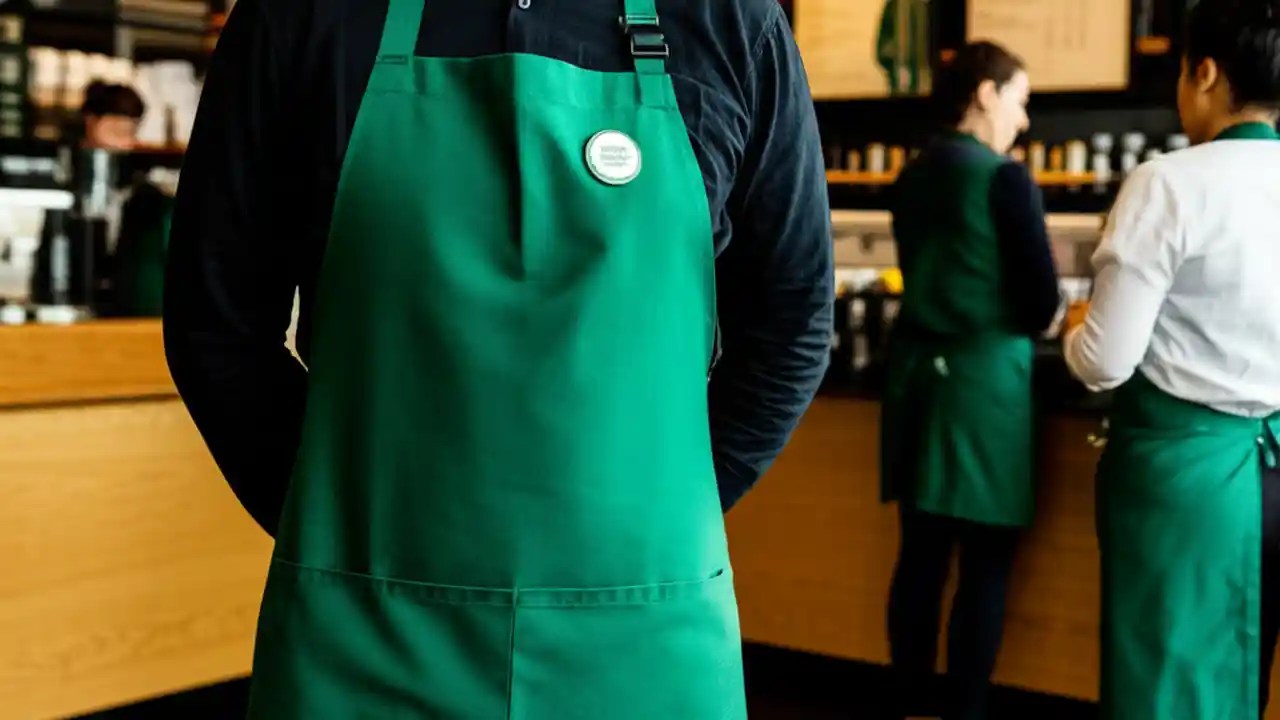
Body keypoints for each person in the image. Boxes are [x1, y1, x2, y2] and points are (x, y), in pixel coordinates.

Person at [162, 0, 833, 717]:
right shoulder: (299, 16)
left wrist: (674, 517)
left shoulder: (729, 20)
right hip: (362, 638)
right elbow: (216, 318)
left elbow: (792, 317)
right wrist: (327, 517)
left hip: (645, 639)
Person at [1063, 1, 1280, 717]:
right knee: (1248, 681)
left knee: (1166, 687)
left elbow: (1104, 362)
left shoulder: (1169, 182)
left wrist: (1077, 323)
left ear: (1206, 73)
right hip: (1271, 471)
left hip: (1184, 485)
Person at [880, 41, 1062, 720]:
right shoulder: (1003, 178)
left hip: (917, 381)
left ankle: (907, 706)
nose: (1023, 120)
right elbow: (1041, 304)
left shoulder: (915, 172)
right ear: (985, 93)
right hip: (984, 389)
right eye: (1020, 100)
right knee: (984, 564)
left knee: (920, 558)